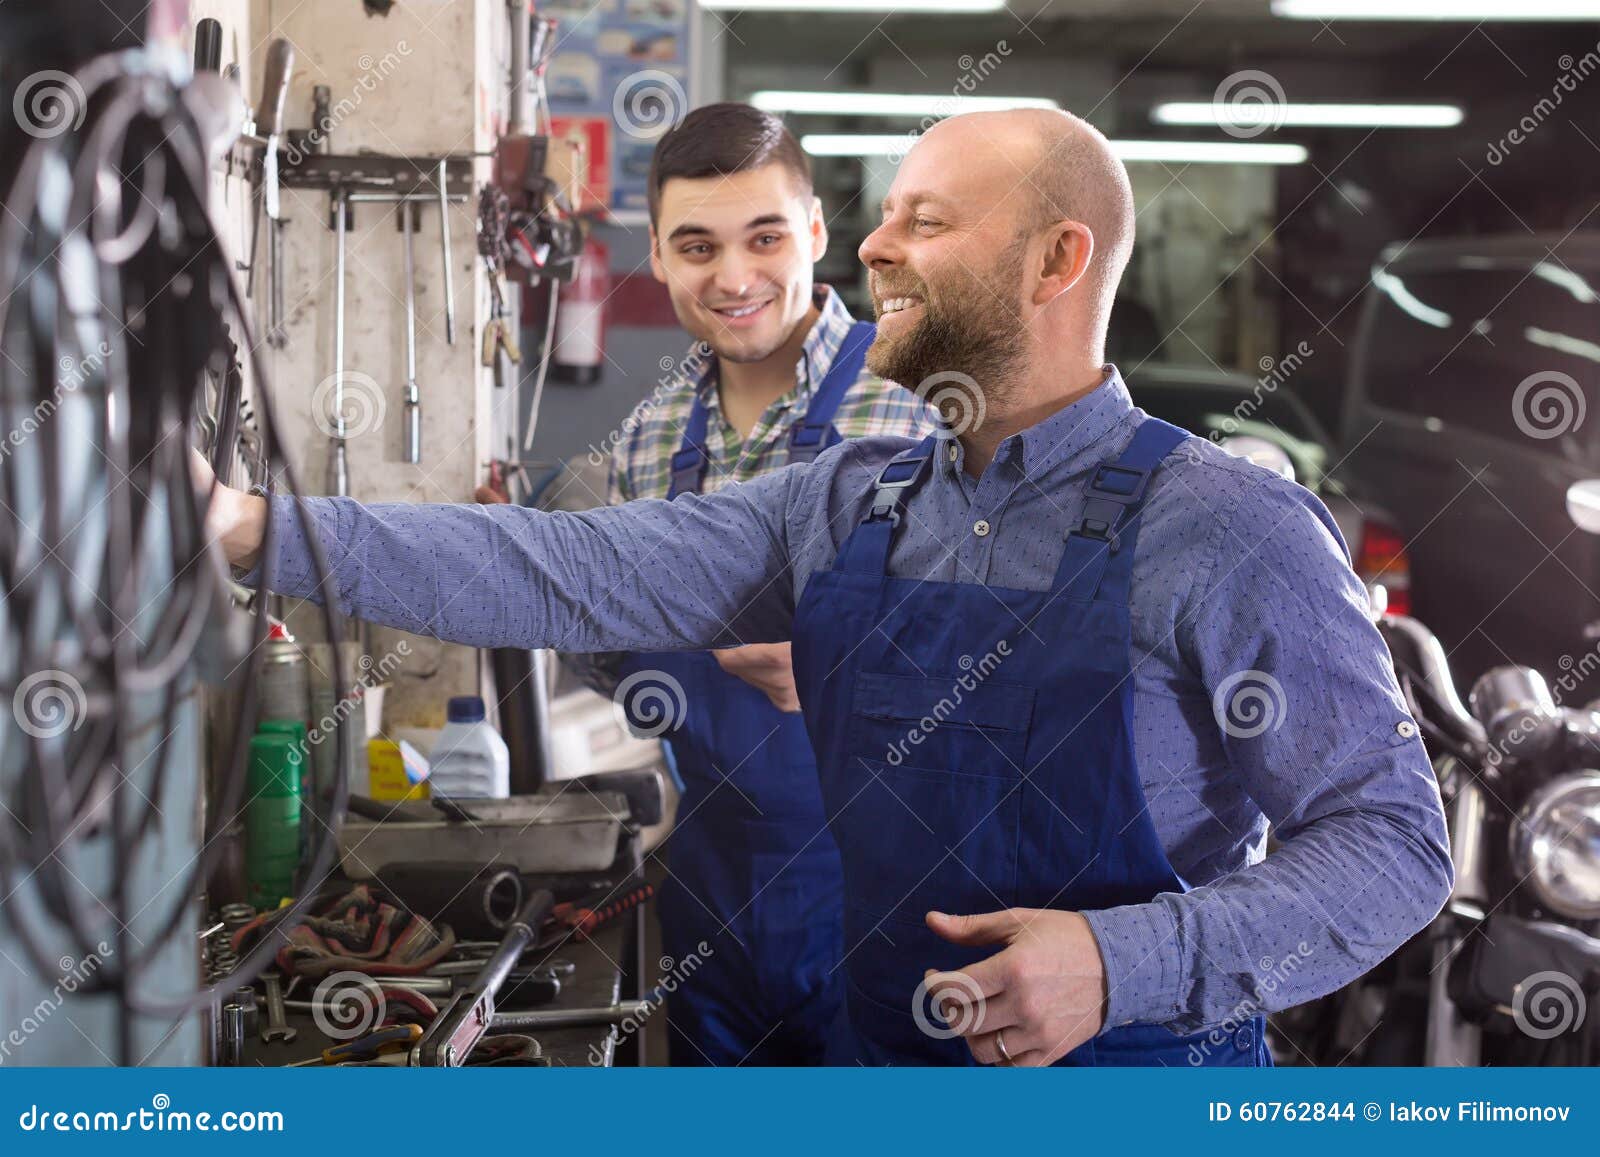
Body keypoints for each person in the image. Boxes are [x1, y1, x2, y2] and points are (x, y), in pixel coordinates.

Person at [201, 107, 1452, 1067]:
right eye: (885, 212)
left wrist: (1124, 962)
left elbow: (1394, 842)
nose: (872, 245)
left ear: (1055, 259)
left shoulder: (1227, 526)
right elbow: (568, 568)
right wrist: (255, 524)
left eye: (926, 220)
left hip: (1134, 1074)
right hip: (880, 1056)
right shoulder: (849, 500)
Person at [567, 102, 936, 1066]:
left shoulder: (922, 402)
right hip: (713, 904)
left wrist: (850, 658)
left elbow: (1016, 648)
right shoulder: (647, 438)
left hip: (900, 902)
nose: (733, 278)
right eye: (697, 246)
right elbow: (612, 636)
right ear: (656, 253)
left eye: (764, 236)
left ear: (816, 232)